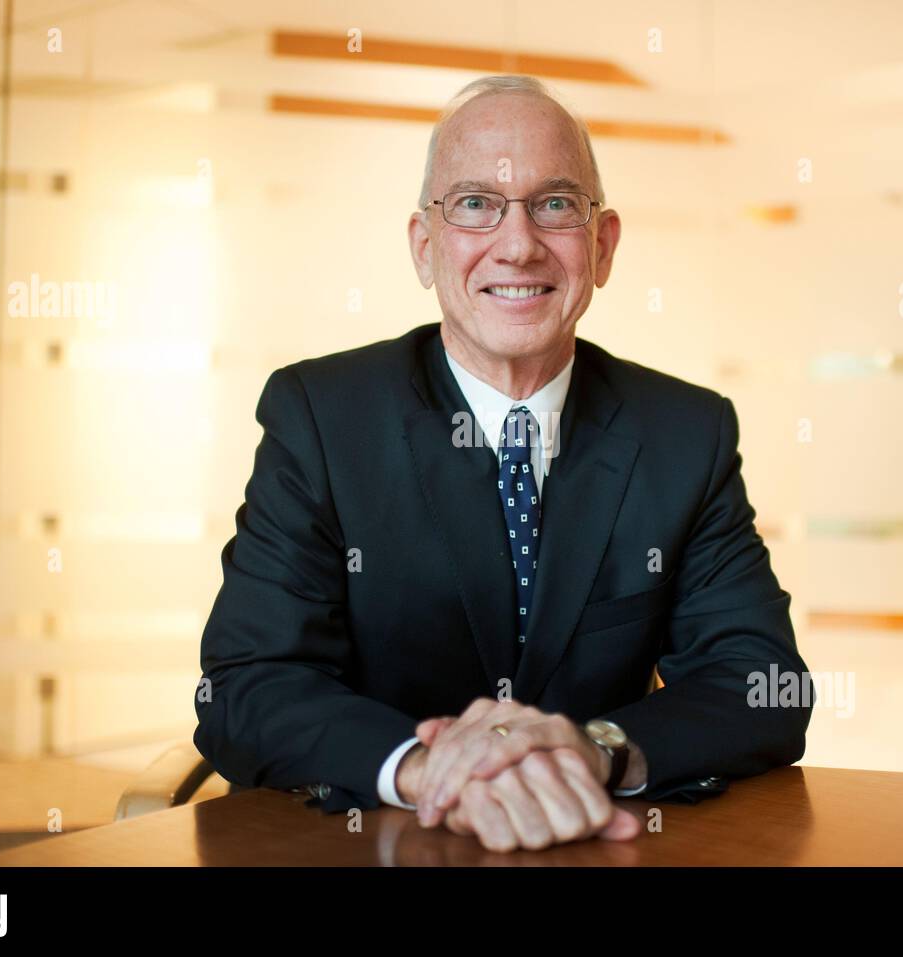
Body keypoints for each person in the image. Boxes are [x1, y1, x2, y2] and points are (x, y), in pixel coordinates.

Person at [194, 74, 813, 853]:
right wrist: (428, 767)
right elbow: (244, 686)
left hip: (594, 841)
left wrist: (592, 750)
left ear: (603, 244)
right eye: (476, 204)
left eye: (554, 203)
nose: (517, 243)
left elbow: (765, 686)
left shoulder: (686, 433)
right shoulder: (320, 416)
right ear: (425, 246)